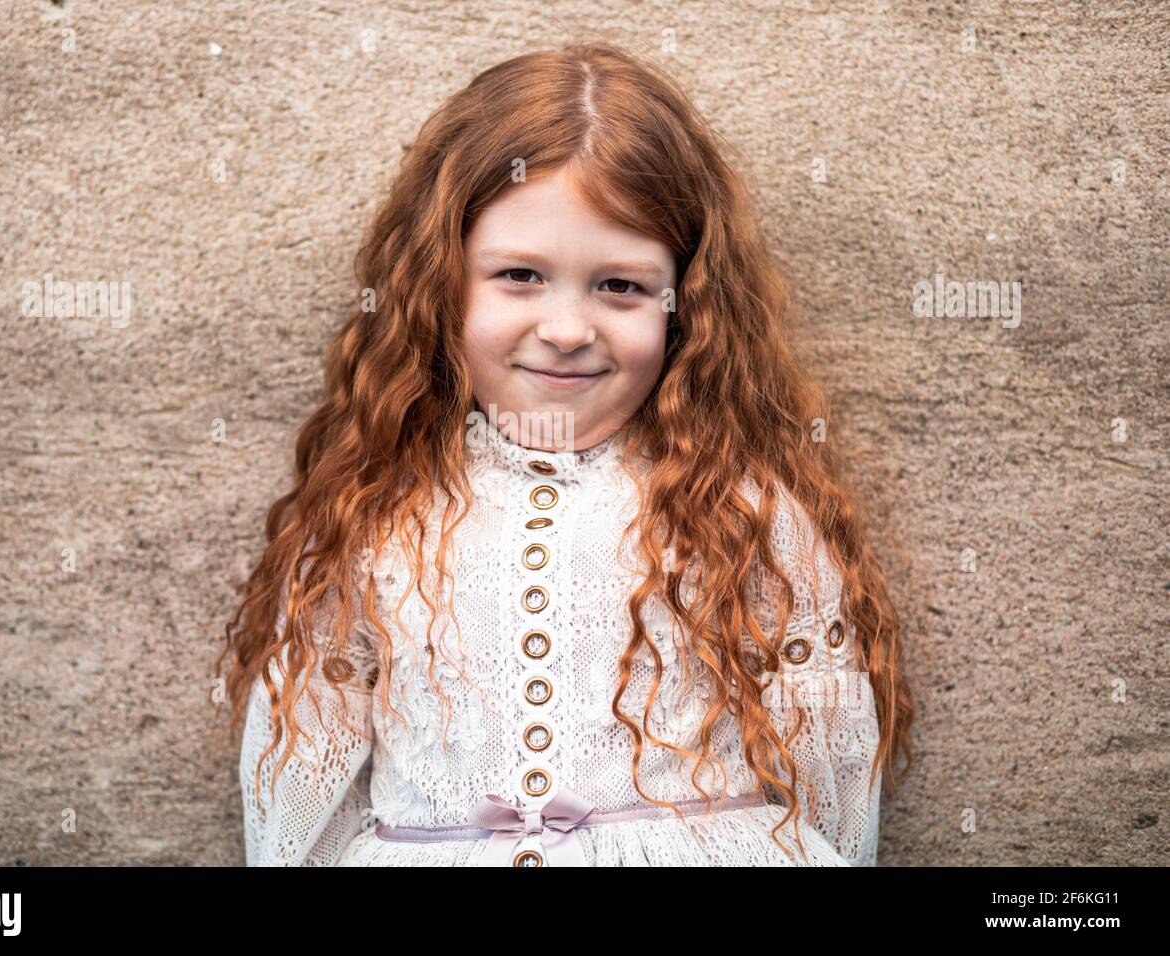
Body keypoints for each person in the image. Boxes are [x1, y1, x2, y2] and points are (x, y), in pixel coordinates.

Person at [216, 42, 914, 867]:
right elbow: (301, 776)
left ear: (682, 305)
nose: (568, 328)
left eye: (619, 285)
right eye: (519, 275)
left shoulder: (744, 512)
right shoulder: (369, 518)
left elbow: (827, 753)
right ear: (442, 286)